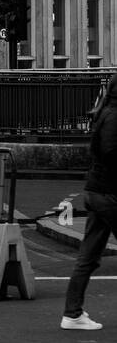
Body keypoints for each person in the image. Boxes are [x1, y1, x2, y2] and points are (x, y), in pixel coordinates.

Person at [61, 75, 117, 330]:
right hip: (108, 194)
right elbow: (110, 152)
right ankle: (72, 314)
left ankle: (72, 314)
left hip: (97, 192)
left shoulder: (105, 112)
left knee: (89, 257)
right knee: (87, 258)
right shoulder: (114, 116)